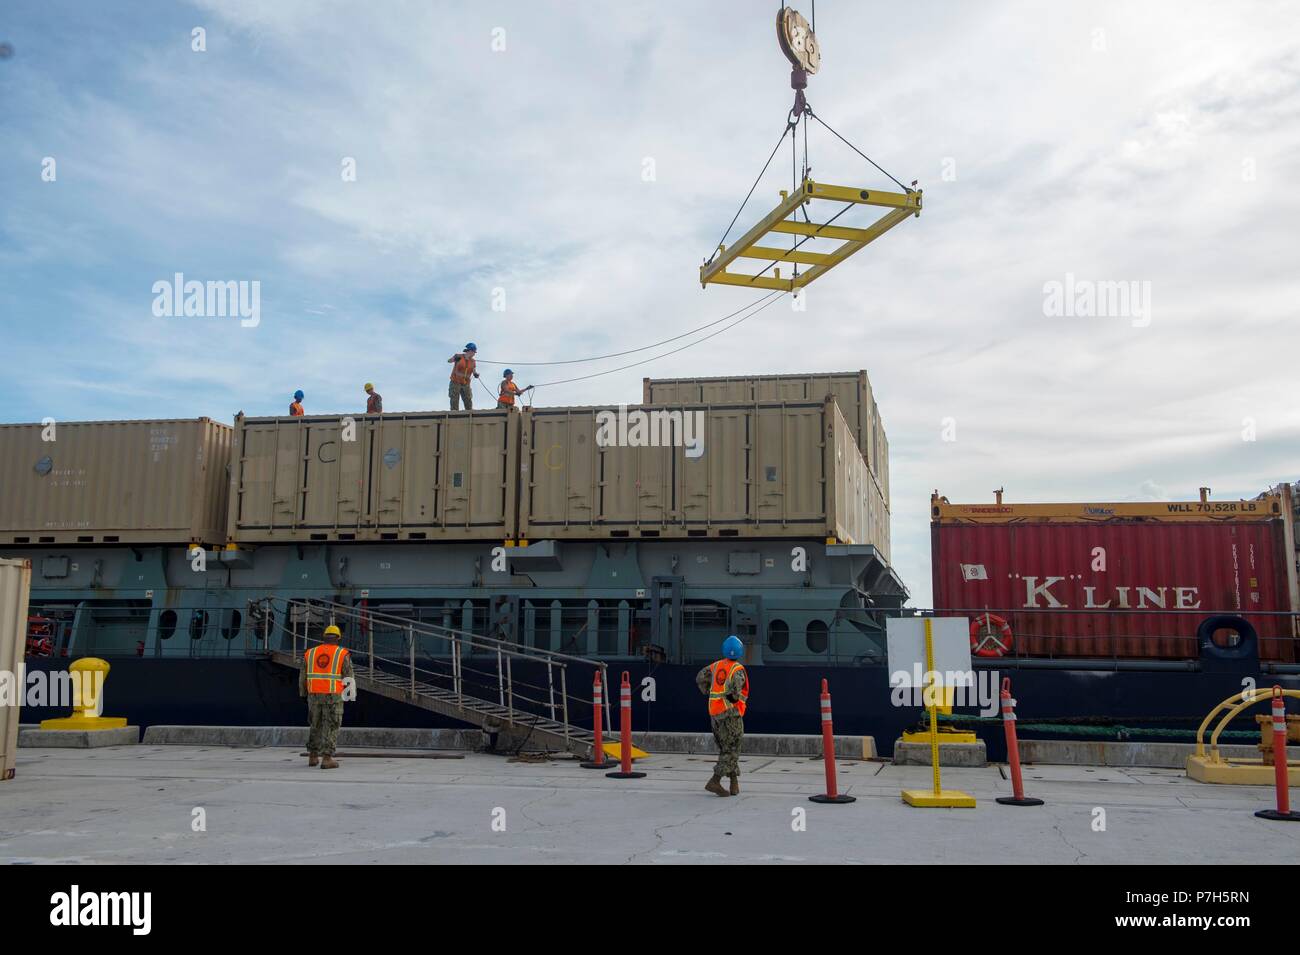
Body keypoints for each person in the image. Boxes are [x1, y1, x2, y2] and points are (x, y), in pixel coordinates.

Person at [696, 635, 749, 796]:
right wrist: (733, 700)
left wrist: (707, 691)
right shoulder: (737, 669)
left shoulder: (715, 666)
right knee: (732, 749)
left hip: (715, 713)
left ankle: (734, 783)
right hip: (730, 715)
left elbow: (699, 678)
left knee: (726, 748)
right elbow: (735, 692)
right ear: (740, 651)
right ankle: (715, 781)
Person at [299, 624, 354, 769]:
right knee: (331, 726)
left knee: (315, 725)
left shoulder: (310, 653)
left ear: (324, 637)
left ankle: (312, 756)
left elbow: (303, 676)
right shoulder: (342, 653)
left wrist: (303, 693)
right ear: (338, 638)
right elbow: (348, 676)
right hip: (333, 696)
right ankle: (327, 758)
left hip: (314, 696)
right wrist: (350, 696)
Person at [447, 342, 479, 410]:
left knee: (468, 399)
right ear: (470, 351)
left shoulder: (473, 361)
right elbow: (449, 361)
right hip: (455, 382)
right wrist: (455, 359)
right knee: (454, 399)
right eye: (473, 352)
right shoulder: (458, 356)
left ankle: (469, 413)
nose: (474, 354)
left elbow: (474, 371)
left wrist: (476, 374)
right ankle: (454, 414)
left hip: (466, 384)